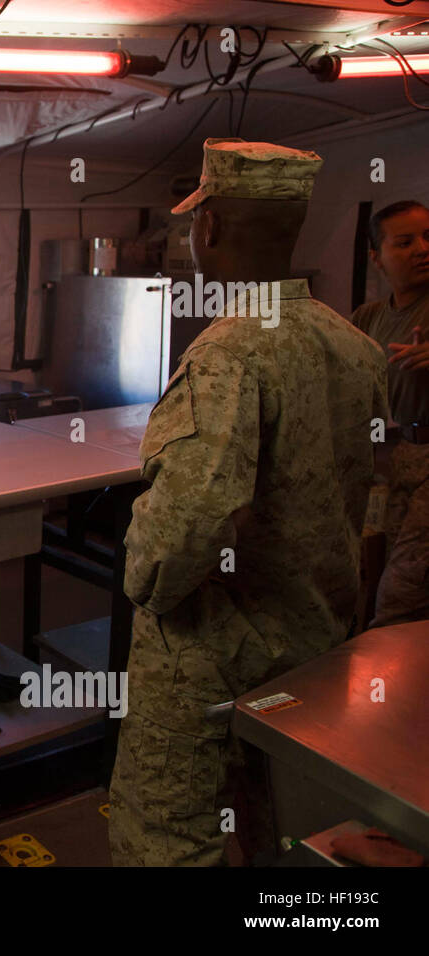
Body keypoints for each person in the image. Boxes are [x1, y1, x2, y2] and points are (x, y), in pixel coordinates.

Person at [109, 138, 389, 866]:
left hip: (211, 650)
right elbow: (371, 495)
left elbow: (184, 529)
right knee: (286, 823)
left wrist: (143, 590)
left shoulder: (229, 353)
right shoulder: (356, 346)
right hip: (315, 640)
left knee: (167, 837)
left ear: (207, 228)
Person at [350, 200, 429, 626]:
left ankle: (387, 690)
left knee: (400, 596)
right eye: (406, 242)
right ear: (376, 258)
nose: (422, 248)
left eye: (428, 237)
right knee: (385, 583)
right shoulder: (370, 318)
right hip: (396, 461)